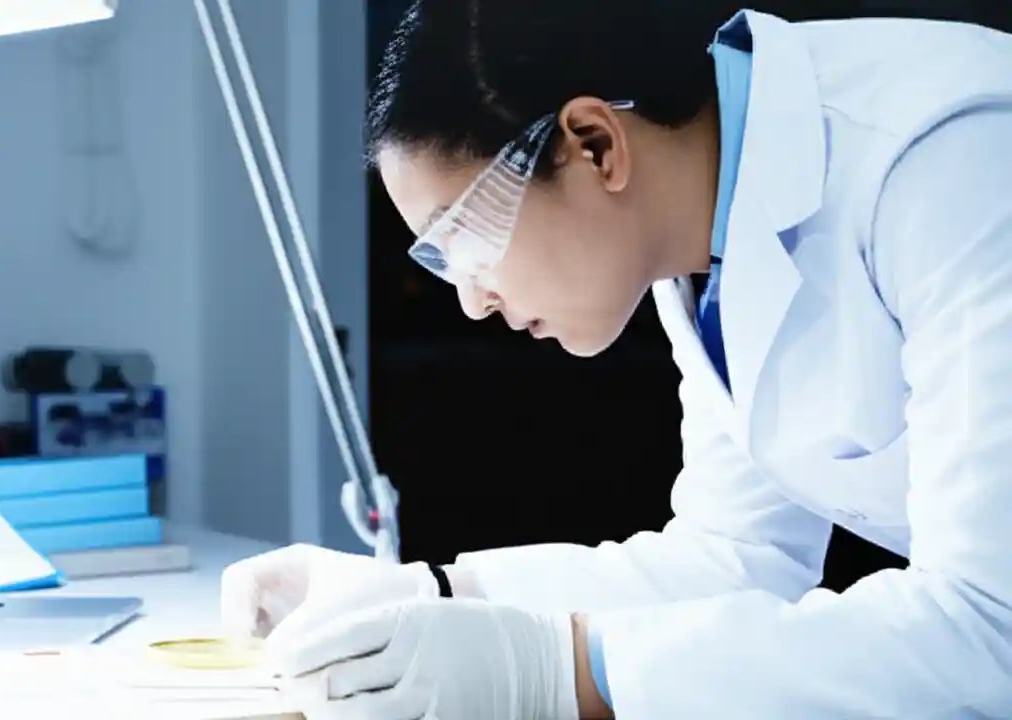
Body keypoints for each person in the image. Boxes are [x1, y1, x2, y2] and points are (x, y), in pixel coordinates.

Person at [220, 1, 1012, 717]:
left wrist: (559, 673)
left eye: (465, 237)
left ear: (595, 145)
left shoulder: (952, 155)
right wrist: (430, 593)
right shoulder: (696, 243)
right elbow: (734, 558)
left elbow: (989, 630)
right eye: (441, 258)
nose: (471, 298)